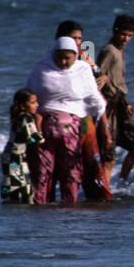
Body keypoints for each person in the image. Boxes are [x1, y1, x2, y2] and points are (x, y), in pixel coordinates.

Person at [25, 36, 107, 203]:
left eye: (67, 58)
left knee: (71, 171)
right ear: (54, 54)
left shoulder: (82, 69)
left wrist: (99, 113)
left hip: (72, 131)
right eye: (60, 57)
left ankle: (70, 207)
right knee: (43, 172)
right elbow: (29, 96)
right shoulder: (41, 68)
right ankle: (41, 207)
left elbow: (93, 95)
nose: (63, 61)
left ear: (76, 55)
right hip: (43, 131)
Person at [52, 20, 111, 200]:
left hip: (86, 119)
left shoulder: (84, 58)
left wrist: (104, 78)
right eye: (73, 38)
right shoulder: (52, 60)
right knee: (63, 167)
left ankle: (96, 199)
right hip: (61, 122)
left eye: (80, 39)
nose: (78, 42)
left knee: (92, 163)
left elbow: (99, 76)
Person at [96, 14, 134, 189]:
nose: (126, 39)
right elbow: (97, 76)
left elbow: (118, 79)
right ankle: (104, 189)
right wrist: (105, 80)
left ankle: (121, 182)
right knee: (108, 153)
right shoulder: (109, 50)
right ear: (115, 31)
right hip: (109, 108)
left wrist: (127, 101)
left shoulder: (120, 50)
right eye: (123, 34)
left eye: (130, 35)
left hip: (120, 104)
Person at [1, 89, 43, 204]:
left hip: (11, 154)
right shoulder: (26, 118)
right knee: (24, 188)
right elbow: (34, 139)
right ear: (23, 106)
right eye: (33, 102)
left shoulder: (18, 117)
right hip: (15, 156)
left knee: (12, 186)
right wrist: (39, 123)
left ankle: (13, 214)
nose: (37, 105)